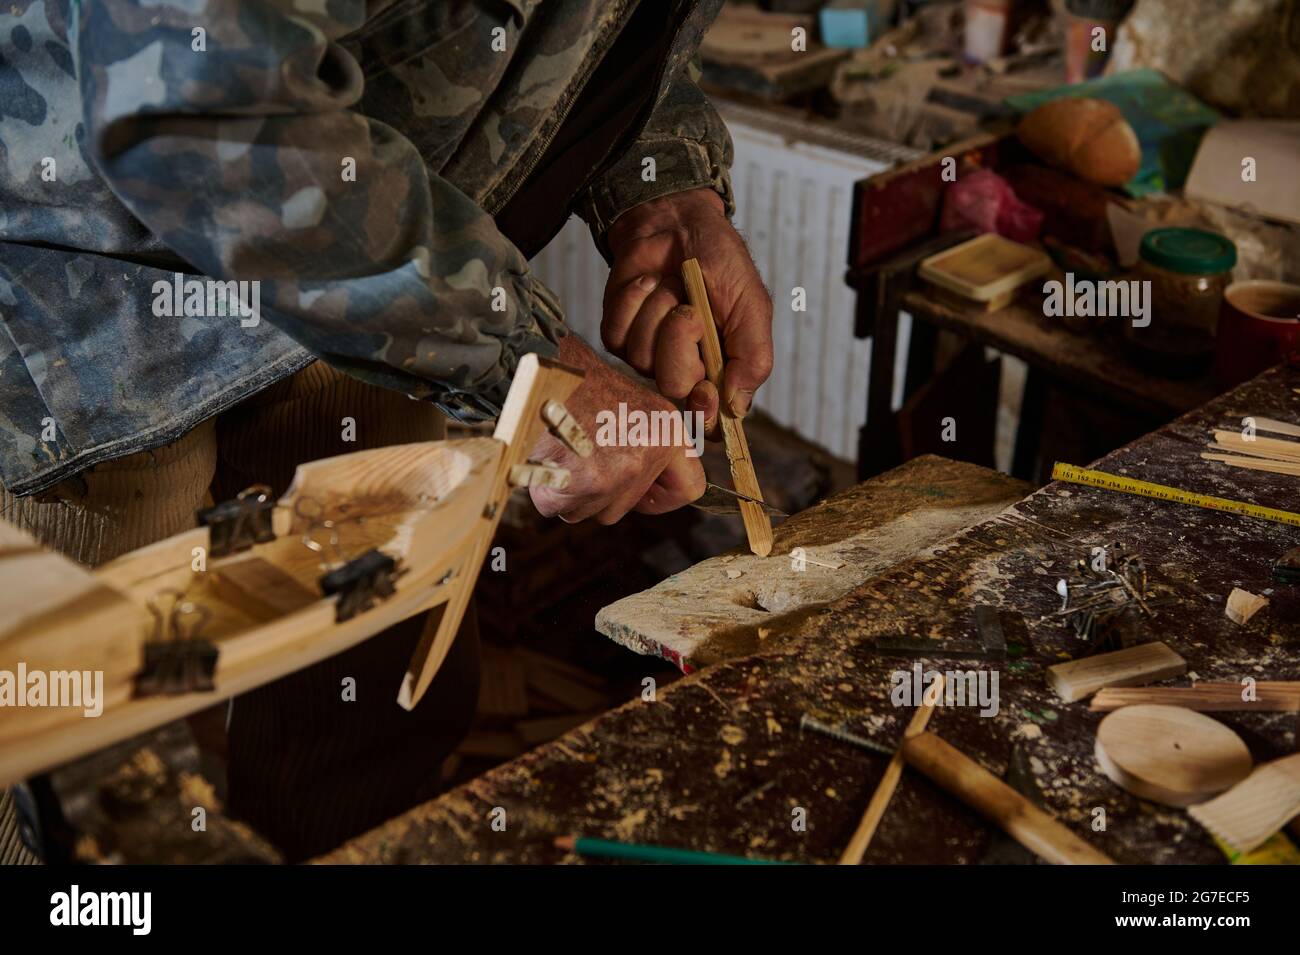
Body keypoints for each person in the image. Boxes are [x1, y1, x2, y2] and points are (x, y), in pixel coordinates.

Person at [0, 0, 772, 860]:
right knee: (79, 779)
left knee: (369, 709)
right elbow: (200, 103)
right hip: (78, 310)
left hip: (370, 278)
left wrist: (664, 190)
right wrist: (526, 359)